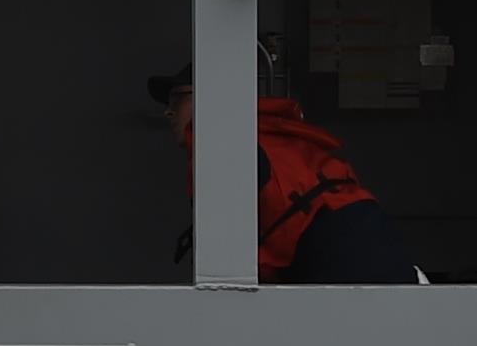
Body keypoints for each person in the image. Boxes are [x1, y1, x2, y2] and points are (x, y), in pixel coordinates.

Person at [164, 71, 424, 283]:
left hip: (335, 249)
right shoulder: (266, 132)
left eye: (177, 99)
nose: (169, 112)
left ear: (212, 96)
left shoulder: (222, 144)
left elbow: (229, 255)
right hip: (362, 237)